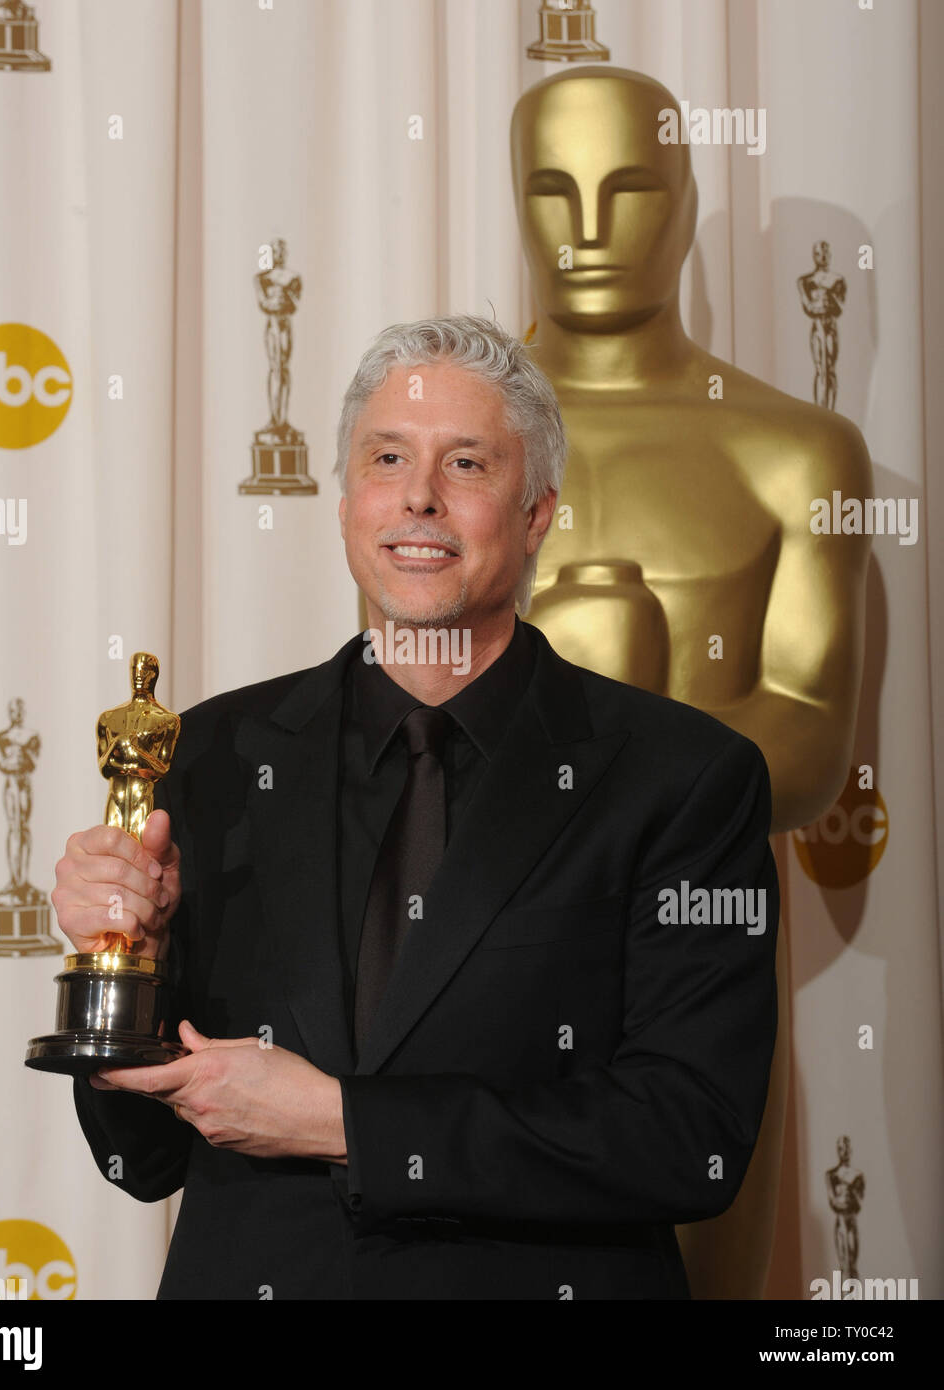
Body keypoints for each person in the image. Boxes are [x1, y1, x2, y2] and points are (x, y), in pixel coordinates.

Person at [55, 314, 779, 1300]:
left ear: (535, 515)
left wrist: (345, 1124)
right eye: (387, 457)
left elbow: (688, 1135)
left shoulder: (681, 778)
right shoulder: (213, 754)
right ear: (348, 500)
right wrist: (121, 961)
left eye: (468, 464)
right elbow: (142, 1159)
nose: (419, 499)